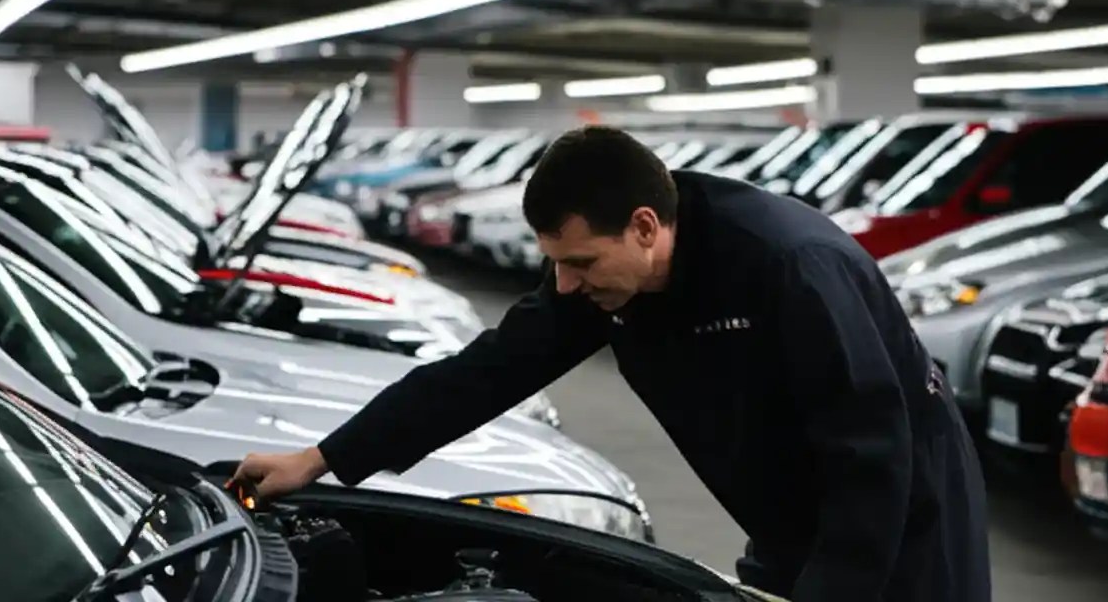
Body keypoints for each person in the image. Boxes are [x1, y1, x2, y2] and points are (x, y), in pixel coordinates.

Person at [230, 126, 990, 602]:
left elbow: (870, 456)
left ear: (646, 226)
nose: (565, 284)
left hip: (907, 515)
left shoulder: (791, 266)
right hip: (786, 503)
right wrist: (321, 458)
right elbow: (485, 371)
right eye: (554, 264)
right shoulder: (598, 279)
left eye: (582, 261)